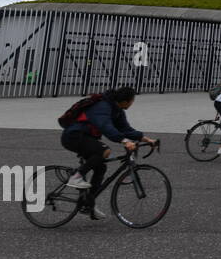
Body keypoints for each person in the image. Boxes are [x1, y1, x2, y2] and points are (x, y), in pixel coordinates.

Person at [62, 86, 156, 219]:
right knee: (104, 151)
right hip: (74, 136)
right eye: (132, 100)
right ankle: (76, 177)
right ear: (125, 101)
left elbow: (126, 129)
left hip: (87, 138)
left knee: (101, 167)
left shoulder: (117, 110)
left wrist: (146, 139)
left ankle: (88, 204)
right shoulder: (103, 106)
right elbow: (105, 126)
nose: (132, 103)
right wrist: (124, 141)